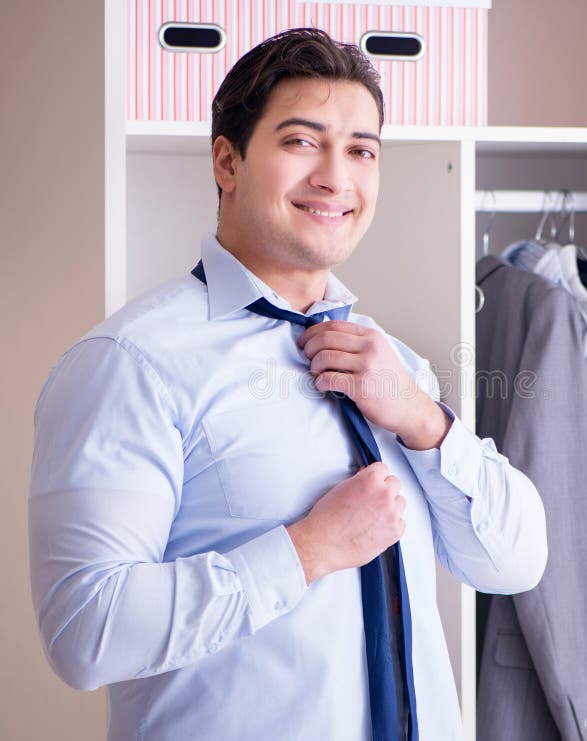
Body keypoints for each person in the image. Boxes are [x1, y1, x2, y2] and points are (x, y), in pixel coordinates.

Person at [29, 27, 547, 741]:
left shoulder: (394, 368)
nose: (336, 177)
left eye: (361, 151)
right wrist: (306, 550)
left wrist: (425, 420)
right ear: (228, 161)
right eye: (302, 141)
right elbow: (85, 631)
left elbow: (516, 561)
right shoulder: (130, 363)